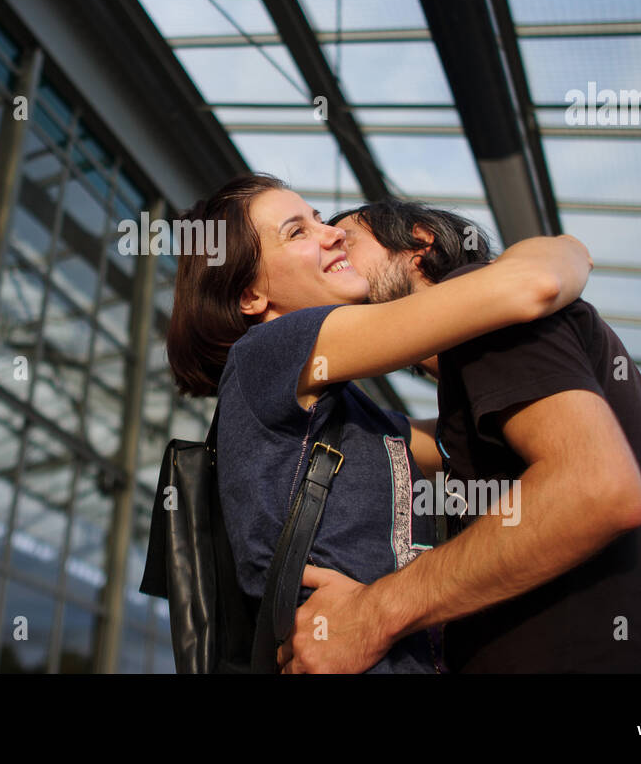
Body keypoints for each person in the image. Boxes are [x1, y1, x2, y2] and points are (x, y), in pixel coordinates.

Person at [271, 197, 641, 673]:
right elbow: (389, 440)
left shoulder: (482, 306)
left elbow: (595, 488)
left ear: (420, 243)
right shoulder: (472, 379)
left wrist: (371, 614)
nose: (333, 250)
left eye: (348, 239)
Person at [165, 174, 593, 673]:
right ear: (250, 297)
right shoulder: (265, 352)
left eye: (318, 218)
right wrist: (567, 248)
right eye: (296, 232)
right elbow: (531, 286)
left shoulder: (346, 411)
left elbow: (454, 440)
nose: (333, 234)